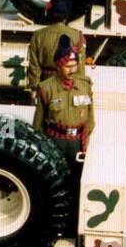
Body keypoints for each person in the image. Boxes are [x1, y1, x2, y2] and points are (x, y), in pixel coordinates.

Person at [32, 35, 95, 183]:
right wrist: (45, 146)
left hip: (77, 143)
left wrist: (84, 141)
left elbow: (90, 120)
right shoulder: (46, 88)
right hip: (55, 141)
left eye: (74, 65)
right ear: (59, 66)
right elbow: (38, 124)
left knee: (77, 178)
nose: (72, 70)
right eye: (68, 66)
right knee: (53, 178)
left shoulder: (85, 85)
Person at [26, 0, 85, 92]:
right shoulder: (77, 35)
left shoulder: (38, 35)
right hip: (68, 85)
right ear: (66, 16)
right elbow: (80, 66)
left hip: (45, 85)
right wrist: (80, 89)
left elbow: (34, 66)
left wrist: (35, 87)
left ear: (50, 14)